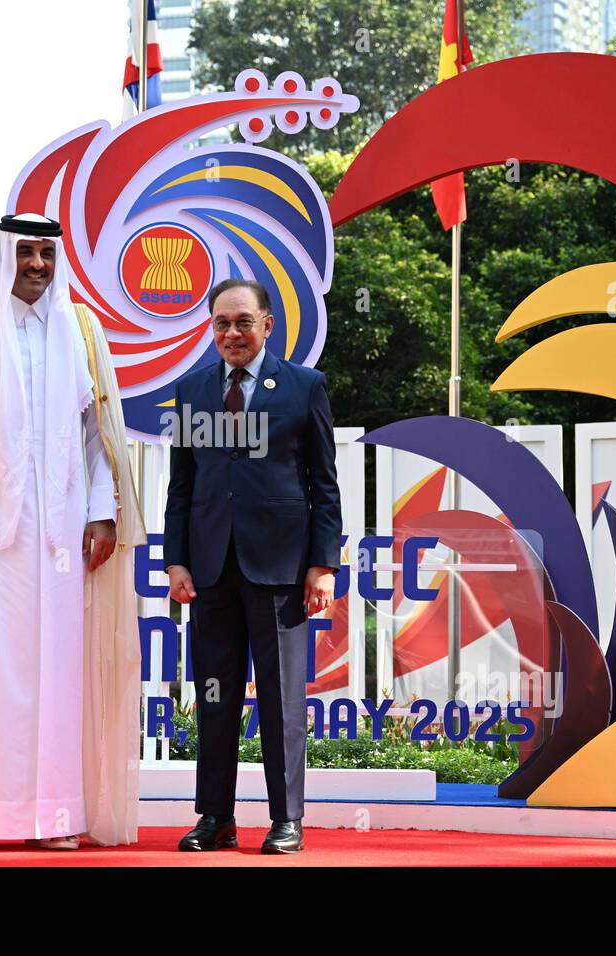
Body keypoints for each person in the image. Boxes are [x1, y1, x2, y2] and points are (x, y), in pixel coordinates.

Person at [0, 212, 145, 851]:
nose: (37, 265)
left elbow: (101, 439)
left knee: (62, 668)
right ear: (6, 253)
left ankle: (56, 815)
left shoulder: (84, 332)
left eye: (46, 253)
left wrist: (103, 511)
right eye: (27, 253)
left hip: (66, 537)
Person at [163, 278, 342, 854]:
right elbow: (182, 485)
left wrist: (322, 564)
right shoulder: (191, 392)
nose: (232, 333)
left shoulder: (304, 387)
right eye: (221, 323)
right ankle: (214, 818)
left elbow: (324, 484)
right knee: (214, 695)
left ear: (267, 325)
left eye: (243, 322)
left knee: (280, 700)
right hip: (212, 569)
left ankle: (286, 818)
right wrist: (177, 561)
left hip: (280, 569)